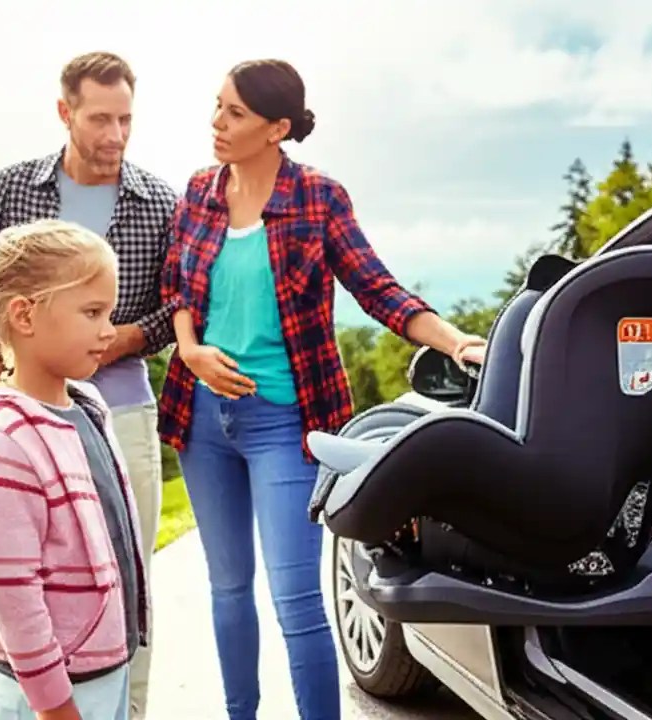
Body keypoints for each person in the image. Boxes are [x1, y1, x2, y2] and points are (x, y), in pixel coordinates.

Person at [157, 59, 487, 720]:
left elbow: (378, 289)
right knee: (227, 589)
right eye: (216, 106)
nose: (217, 123)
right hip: (201, 423)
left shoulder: (317, 198)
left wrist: (455, 342)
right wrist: (189, 351)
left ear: (277, 127)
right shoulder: (198, 191)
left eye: (235, 113)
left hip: (283, 420)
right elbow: (176, 286)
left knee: (297, 600)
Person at [0, 51, 177, 719]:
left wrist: (121, 337)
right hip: (27, 401)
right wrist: (10, 355)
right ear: (65, 111)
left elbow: (178, 302)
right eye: (101, 118)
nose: (116, 135)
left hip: (116, 413)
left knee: (123, 576)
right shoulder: (12, 189)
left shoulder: (158, 200)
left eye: (126, 119)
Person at [0, 218, 148, 720]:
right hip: (52, 697)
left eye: (109, 312)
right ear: (24, 315)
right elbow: (8, 589)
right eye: (92, 312)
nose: (109, 329)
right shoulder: (3, 437)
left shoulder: (87, 405)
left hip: (103, 670)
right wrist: (53, 706)